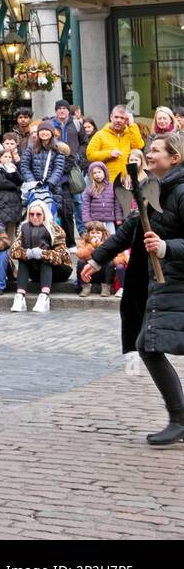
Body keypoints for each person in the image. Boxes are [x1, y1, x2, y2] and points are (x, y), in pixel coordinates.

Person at [83, 133, 184, 444]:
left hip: (178, 278)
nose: (148, 154)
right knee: (148, 343)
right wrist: (98, 259)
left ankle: (180, 419)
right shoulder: (150, 189)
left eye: (154, 150)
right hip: (164, 281)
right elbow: (130, 228)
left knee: (149, 344)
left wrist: (167, 247)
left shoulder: (181, 192)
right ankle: (179, 418)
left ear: (174, 158)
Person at [9, 200, 72, 314]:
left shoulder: (55, 229)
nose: (35, 217)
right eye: (31, 214)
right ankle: (20, 296)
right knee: (23, 260)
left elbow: (63, 255)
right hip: (36, 270)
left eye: (38, 214)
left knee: (44, 259)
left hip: (59, 269)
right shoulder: (24, 228)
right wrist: (27, 253)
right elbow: (13, 251)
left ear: (44, 214)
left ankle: (44, 296)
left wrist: (42, 253)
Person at [85, 105, 143, 191]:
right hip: (107, 183)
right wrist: (108, 154)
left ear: (126, 119)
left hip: (127, 182)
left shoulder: (130, 133)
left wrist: (132, 125)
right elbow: (90, 154)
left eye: (122, 118)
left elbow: (138, 147)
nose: (118, 120)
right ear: (111, 117)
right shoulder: (101, 134)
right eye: (116, 117)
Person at [0, 132, 25, 237]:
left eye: (9, 157)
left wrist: (15, 171)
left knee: (12, 230)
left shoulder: (15, 164)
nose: (7, 159)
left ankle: (11, 251)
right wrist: (14, 185)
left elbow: (21, 180)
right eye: (7, 143)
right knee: (0, 230)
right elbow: (0, 183)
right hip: (1, 201)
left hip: (14, 202)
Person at [75, 222, 116, 297]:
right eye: (92, 233)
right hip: (89, 274)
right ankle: (85, 287)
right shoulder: (84, 242)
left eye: (98, 233)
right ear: (88, 233)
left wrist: (100, 246)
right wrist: (91, 247)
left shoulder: (107, 241)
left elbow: (111, 255)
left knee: (110, 263)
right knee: (81, 262)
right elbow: (80, 254)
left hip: (103, 273)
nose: (95, 235)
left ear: (102, 233)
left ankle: (106, 288)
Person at [83, 161, 122, 231]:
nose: (97, 175)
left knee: (111, 238)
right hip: (95, 221)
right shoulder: (89, 189)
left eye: (99, 172)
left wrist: (118, 217)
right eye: (94, 173)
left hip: (109, 220)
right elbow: (86, 206)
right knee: (98, 238)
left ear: (105, 173)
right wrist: (87, 220)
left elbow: (117, 204)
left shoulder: (112, 187)